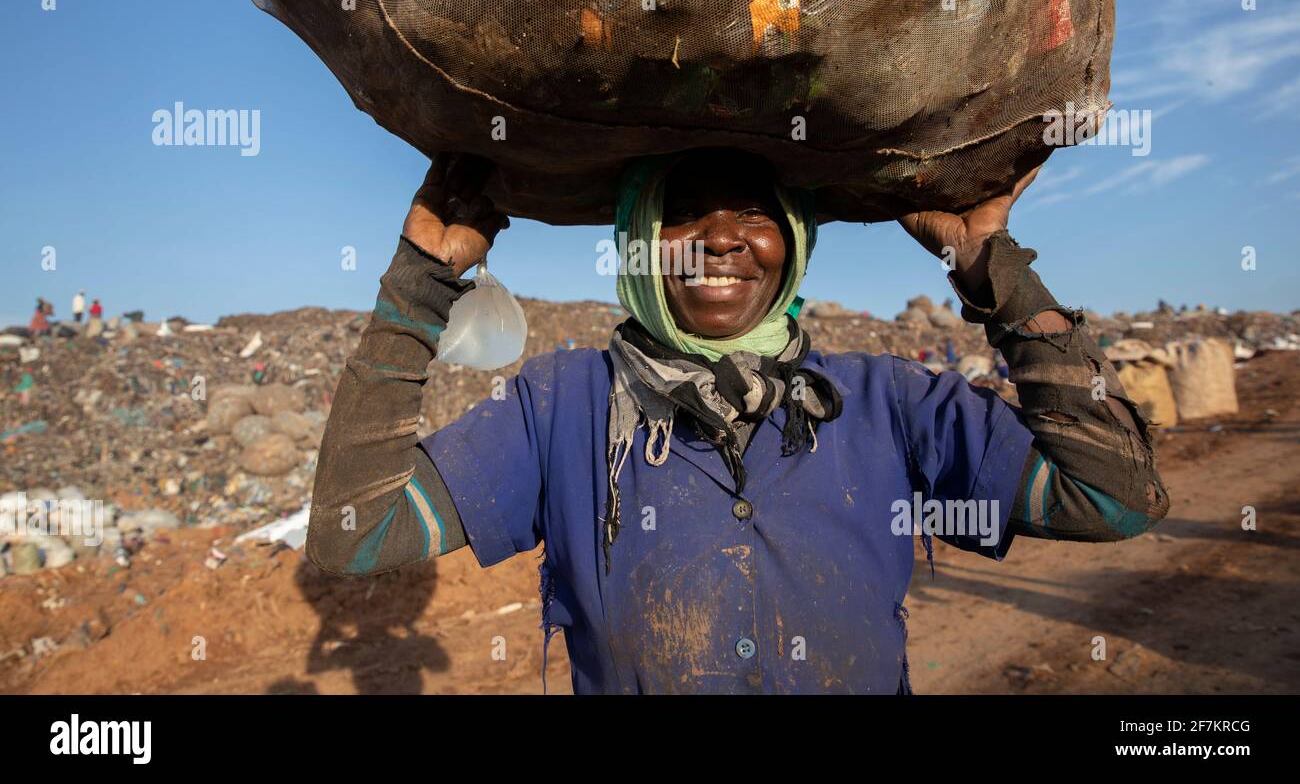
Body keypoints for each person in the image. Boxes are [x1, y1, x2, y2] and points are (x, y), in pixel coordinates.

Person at [307, 150, 1168, 695]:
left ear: (792, 241)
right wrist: (419, 287)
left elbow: (1114, 496)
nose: (722, 239)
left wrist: (994, 271)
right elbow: (355, 533)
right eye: (685, 211)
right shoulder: (560, 407)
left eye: (755, 212)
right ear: (639, 243)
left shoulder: (886, 401)